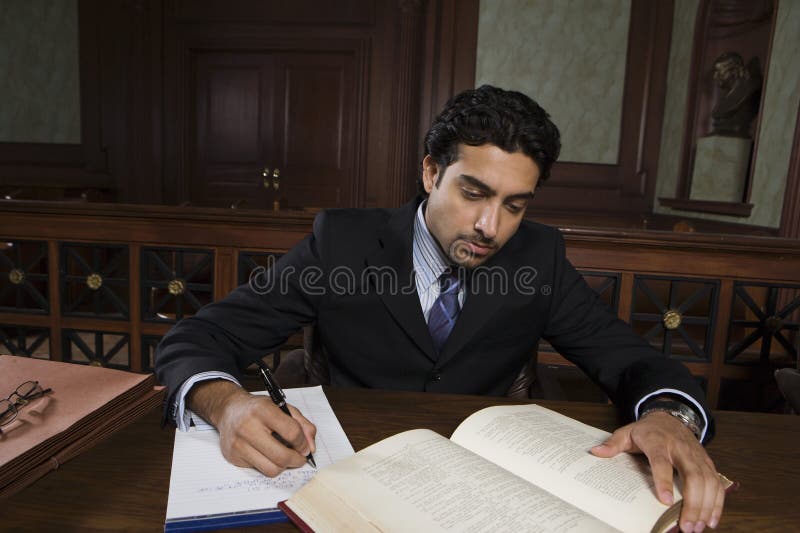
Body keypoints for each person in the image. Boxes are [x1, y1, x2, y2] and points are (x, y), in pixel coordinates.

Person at [156, 85, 725, 533]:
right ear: (431, 172)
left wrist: (670, 418)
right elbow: (196, 339)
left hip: (489, 499)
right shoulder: (342, 244)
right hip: (352, 482)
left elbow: (632, 361)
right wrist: (226, 403)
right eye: (473, 193)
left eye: (514, 205)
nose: (490, 227)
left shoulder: (540, 256)